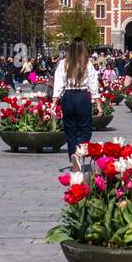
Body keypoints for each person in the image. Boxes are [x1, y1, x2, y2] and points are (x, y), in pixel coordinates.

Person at [53, 38, 99, 172]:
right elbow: (93, 84)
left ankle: (73, 153)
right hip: (83, 96)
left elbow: (58, 83)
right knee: (85, 129)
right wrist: (98, 103)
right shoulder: (87, 63)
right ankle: (79, 152)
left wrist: (54, 101)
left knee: (70, 129)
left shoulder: (64, 63)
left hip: (68, 96)